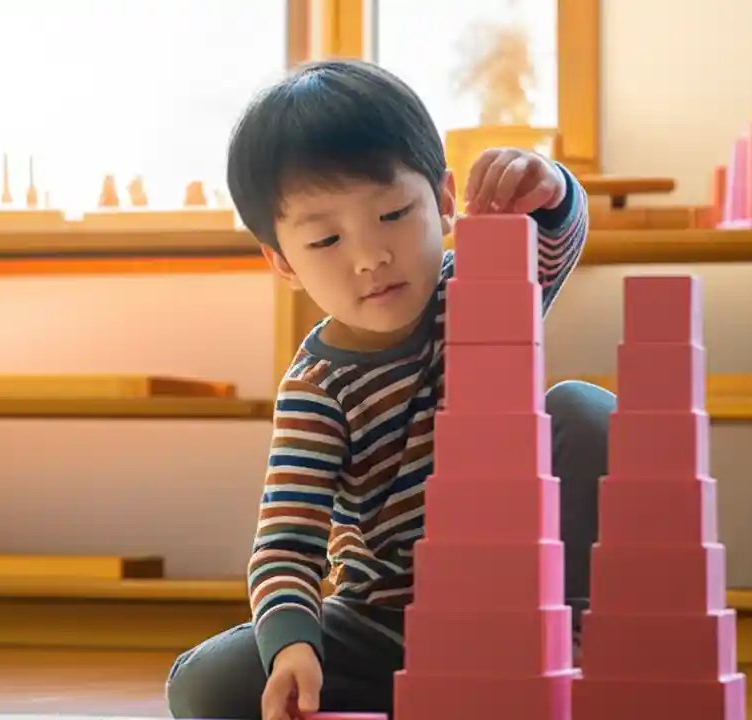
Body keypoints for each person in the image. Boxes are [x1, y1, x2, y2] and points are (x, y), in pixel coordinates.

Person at [166, 58, 614, 720]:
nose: (370, 257)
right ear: (283, 261)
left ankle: (567, 649)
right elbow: (287, 544)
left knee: (583, 407)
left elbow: (556, 243)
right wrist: (293, 650)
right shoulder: (318, 388)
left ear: (444, 199)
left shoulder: (479, 291)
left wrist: (550, 189)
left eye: (394, 214)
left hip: (526, 598)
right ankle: (431, 693)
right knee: (206, 684)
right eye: (325, 238)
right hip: (389, 623)